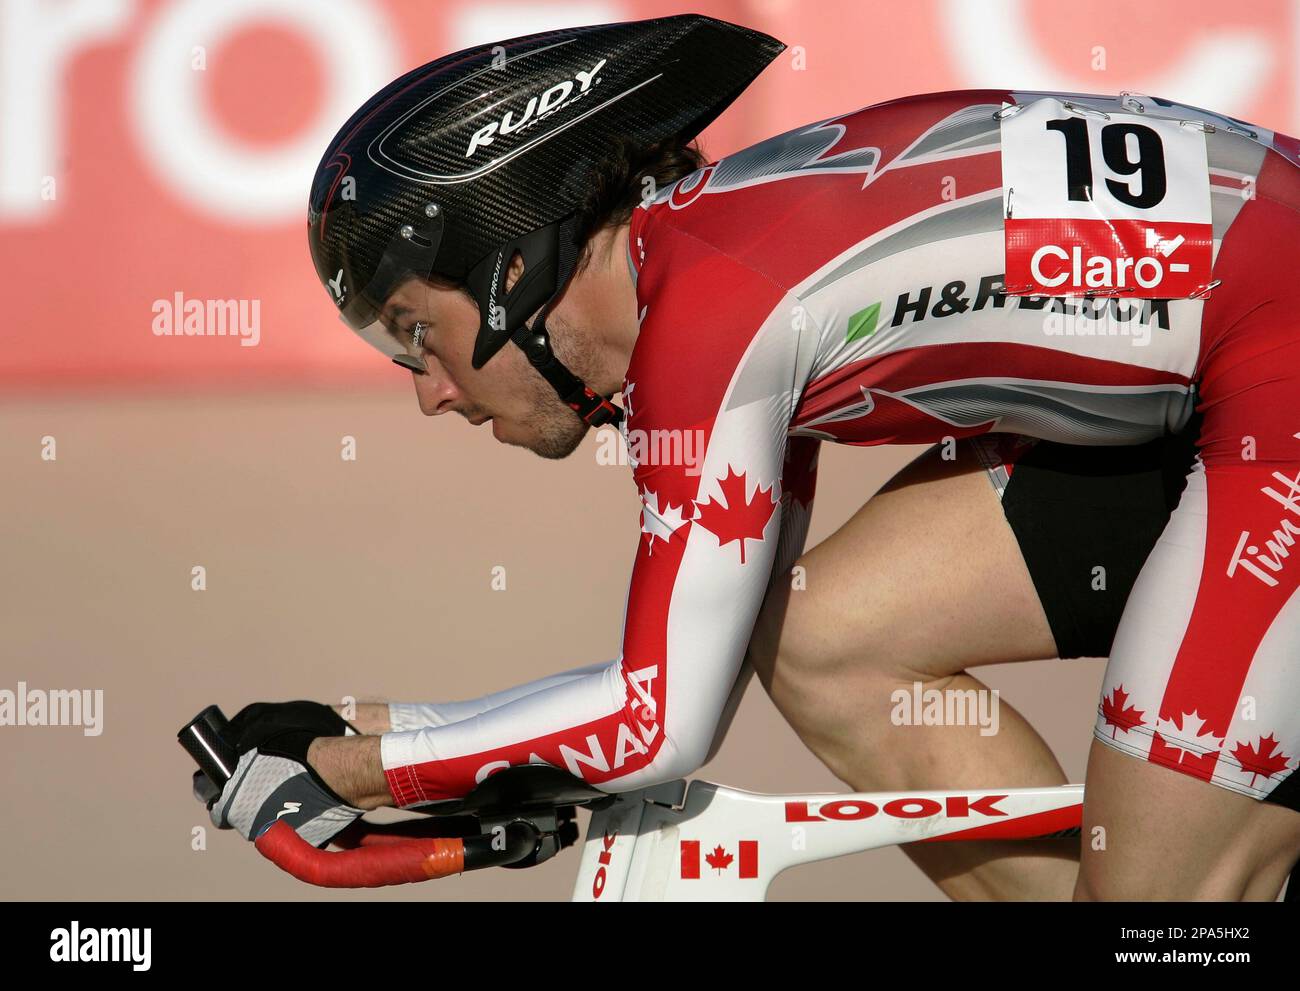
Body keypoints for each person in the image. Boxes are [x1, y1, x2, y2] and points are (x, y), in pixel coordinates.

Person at [212, 14, 1300, 900]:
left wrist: (352, 773)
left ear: (507, 274)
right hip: (1226, 376)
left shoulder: (713, 321)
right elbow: (689, 673)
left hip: (1269, 391)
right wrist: (373, 733)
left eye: (413, 332)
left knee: (1163, 917)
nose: (427, 393)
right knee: (830, 642)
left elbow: (651, 727)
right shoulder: (701, 260)